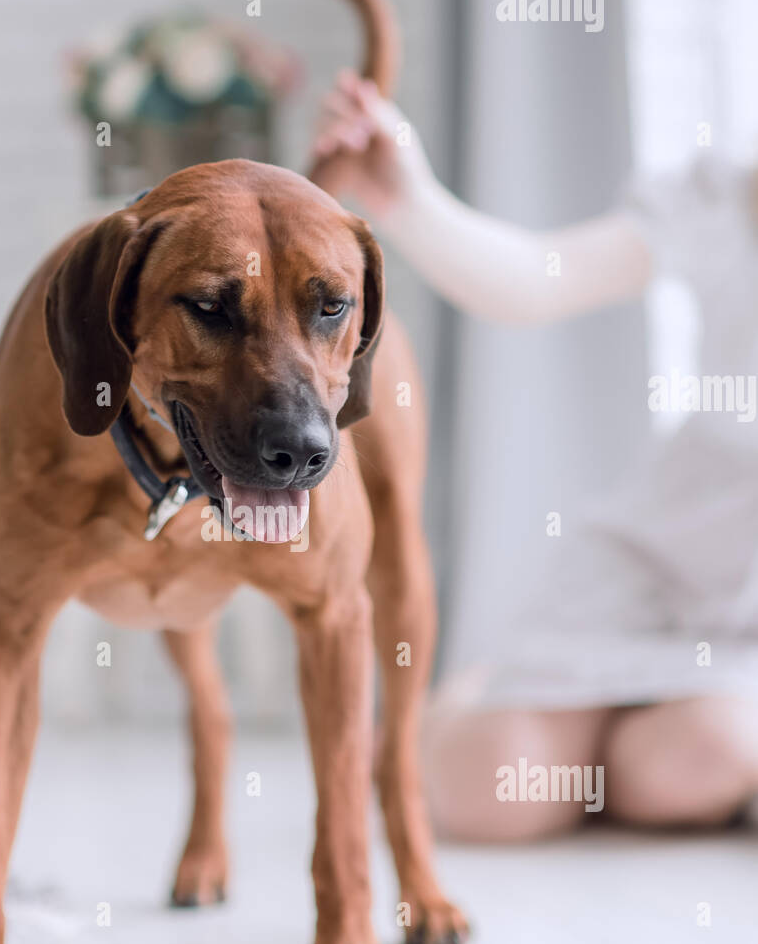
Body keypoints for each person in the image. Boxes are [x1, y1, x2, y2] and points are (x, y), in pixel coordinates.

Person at [315, 70, 758, 841]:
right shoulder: (729, 198)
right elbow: (534, 280)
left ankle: (634, 737)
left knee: (693, 760)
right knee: (493, 794)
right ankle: (478, 696)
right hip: (659, 564)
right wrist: (411, 199)